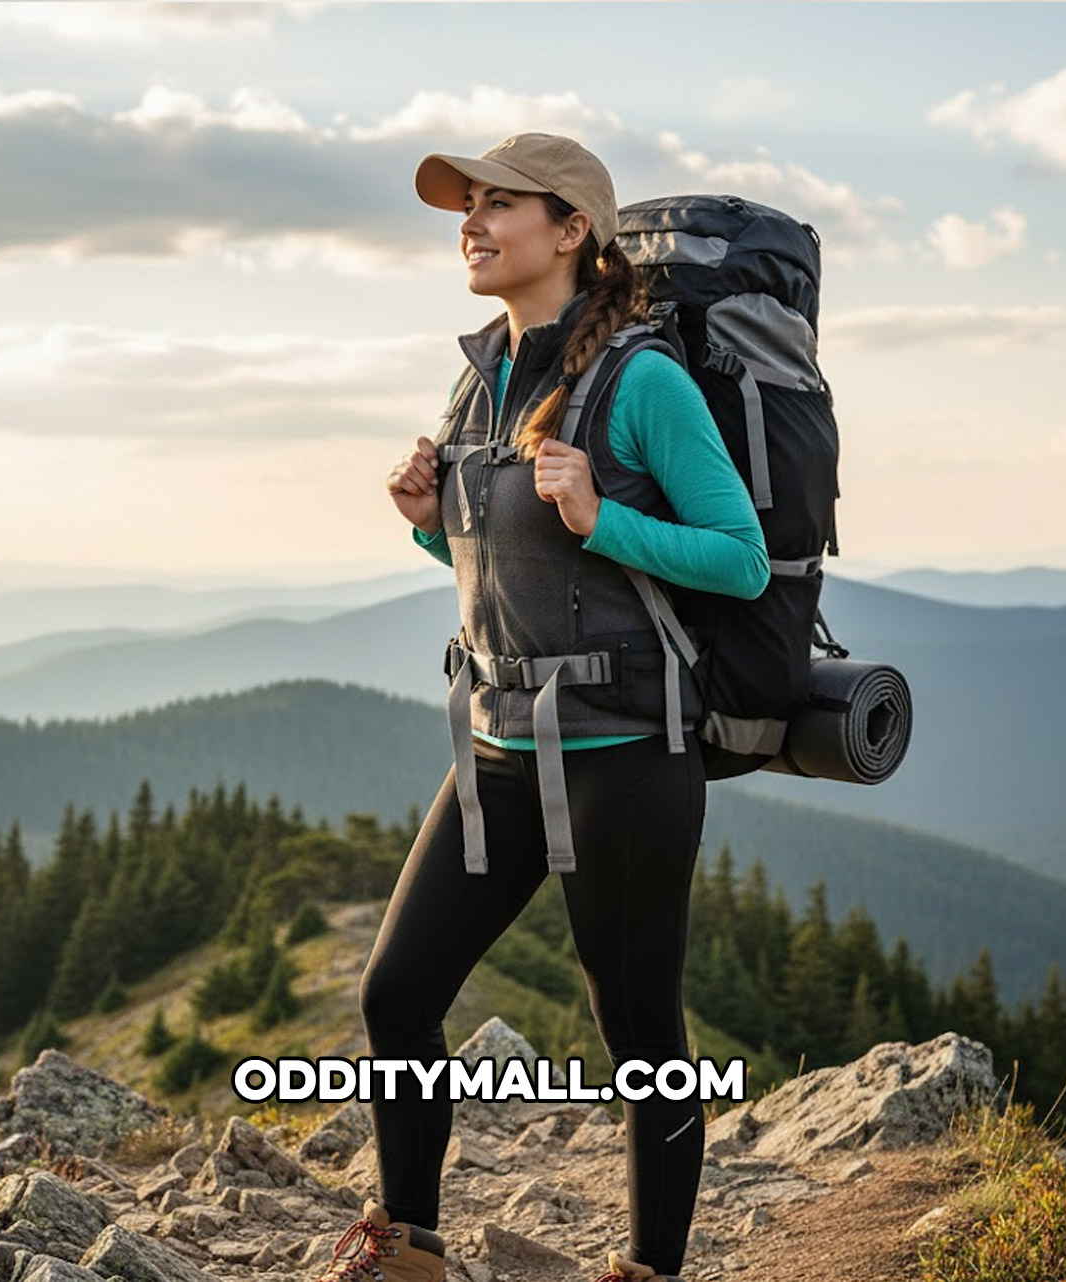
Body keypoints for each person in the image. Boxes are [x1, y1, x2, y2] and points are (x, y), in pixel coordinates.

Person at [312, 134, 769, 1282]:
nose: (469, 222)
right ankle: (410, 1248)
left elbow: (741, 558)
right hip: (498, 749)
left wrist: (600, 517)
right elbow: (506, 578)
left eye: (495, 204)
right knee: (396, 993)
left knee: (642, 1041)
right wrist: (427, 520)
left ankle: (649, 1270)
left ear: (571, 231)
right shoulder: (483, 378)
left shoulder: (643, 379)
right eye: (464, 207)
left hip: (623, 756)